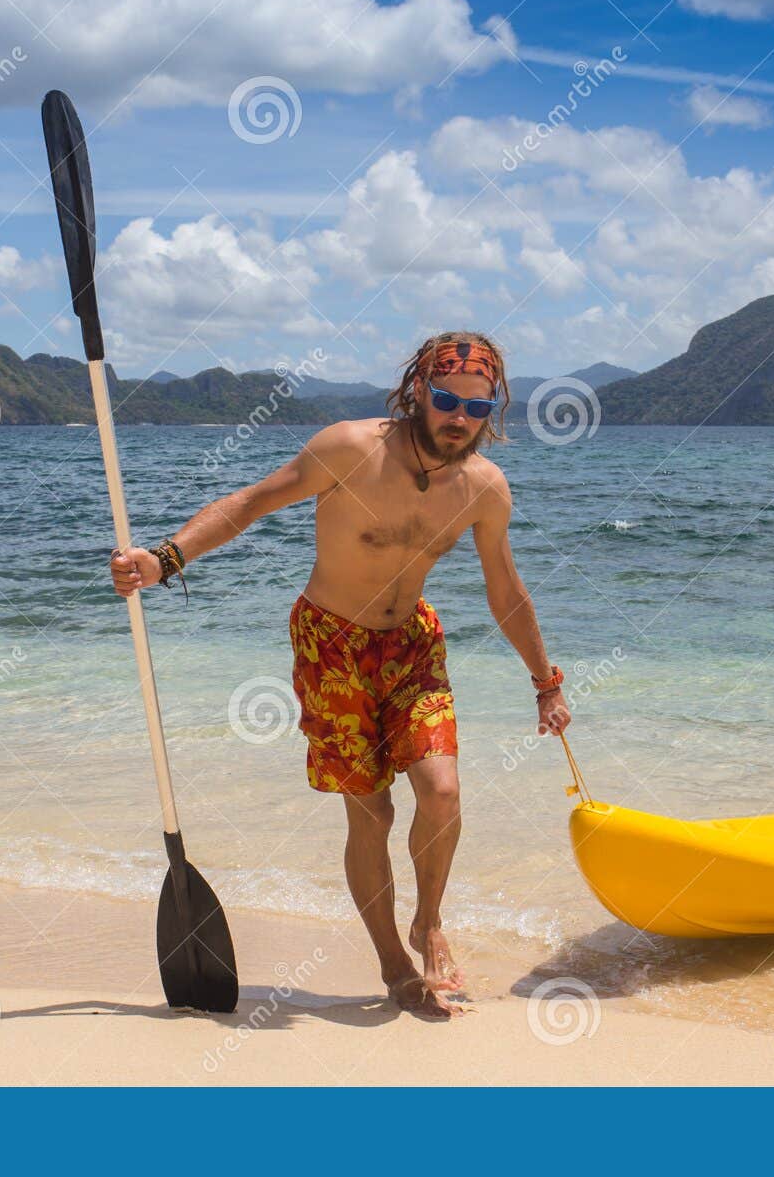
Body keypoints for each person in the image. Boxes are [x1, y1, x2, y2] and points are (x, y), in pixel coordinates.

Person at [111, 331, 571, 1018]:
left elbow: (505, 588)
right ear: (419, 389)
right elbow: (250, 502)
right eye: (446, 399)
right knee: (374, 812)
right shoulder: (351, 449)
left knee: (441, 793)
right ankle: (393, 963)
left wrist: (545, 680)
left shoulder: (483, 488)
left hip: (412, 645)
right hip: (331, 647)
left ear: (493, 409)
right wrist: (164, 559)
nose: (458, 417)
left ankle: (429, 920)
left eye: (476, 407)